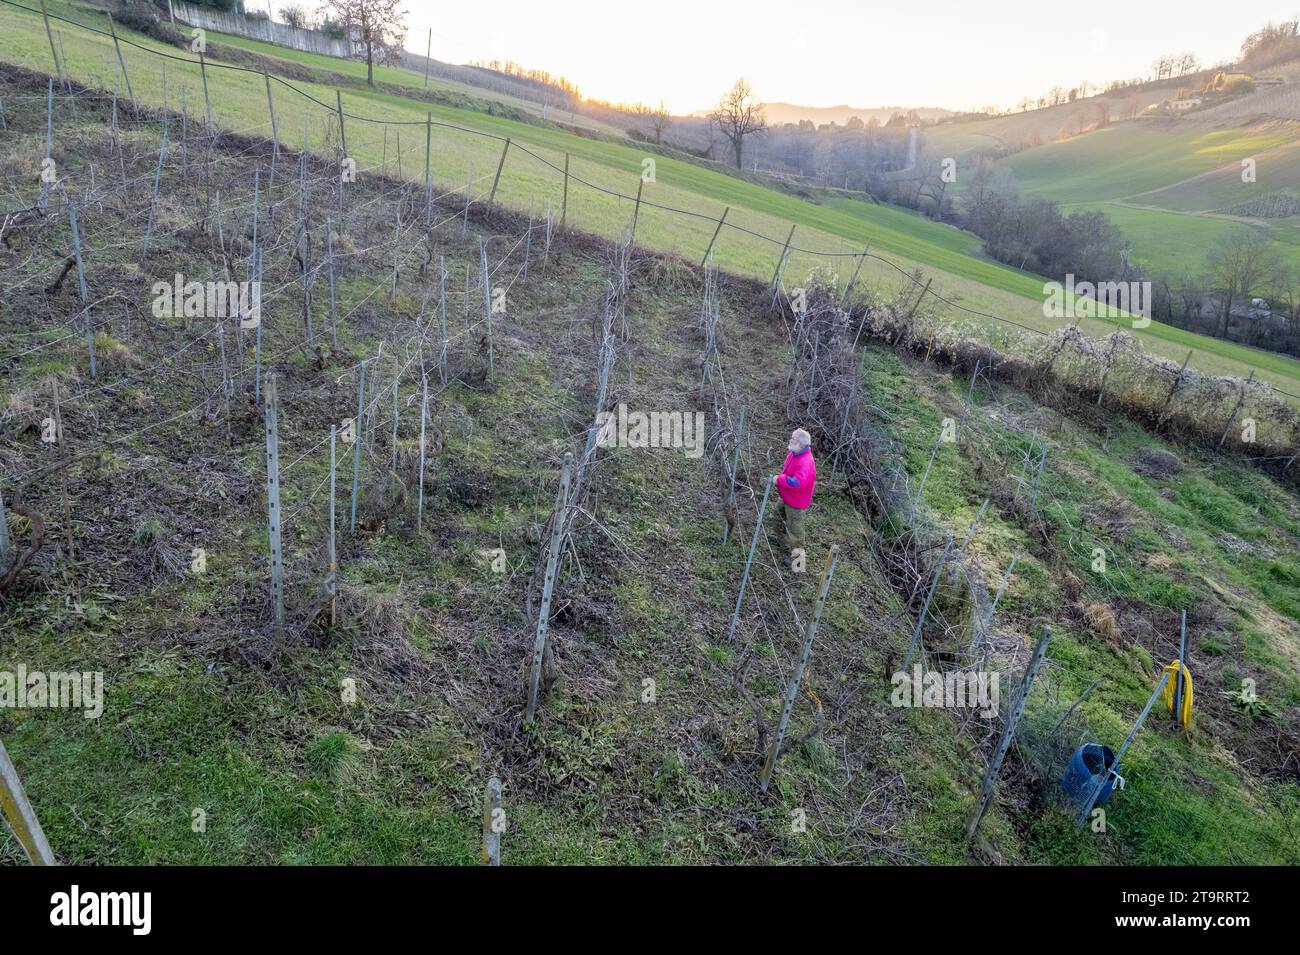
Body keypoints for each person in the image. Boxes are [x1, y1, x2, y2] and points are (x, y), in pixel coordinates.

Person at [773, 428, 815, 552]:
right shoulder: (794, 453)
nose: (790, 440)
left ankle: (797, 562)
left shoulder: (806, 461)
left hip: (796, 503)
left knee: (795, 531)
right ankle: (783, 543)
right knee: (777, 517)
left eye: (794, 439)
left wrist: (779, 480)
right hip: (787, 496)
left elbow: (797, 482)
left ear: (801, 444)